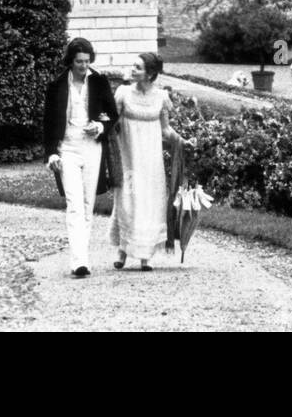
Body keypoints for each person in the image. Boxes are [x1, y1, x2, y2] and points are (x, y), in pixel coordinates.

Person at [42, 38, 120, 279]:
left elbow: (113, 116)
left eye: (87, 61)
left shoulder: (99, 81)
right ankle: (79, 261)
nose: (83, 66)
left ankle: (82, 256)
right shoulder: (56, 86)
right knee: (74, 203)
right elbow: (47, 125)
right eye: (79, 62)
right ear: (70, 61)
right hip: (68, 147)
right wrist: (51, 153)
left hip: (92, 147)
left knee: (87, 204)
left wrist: (99, 126)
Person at [109, 53, 191, 272]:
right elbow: (112, 123)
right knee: (129, 201)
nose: (133, 70)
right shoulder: (123, 93)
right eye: (134, 66)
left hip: (151, 160)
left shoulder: (161, 97)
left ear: (150, 74)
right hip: (129, 157)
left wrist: (182, 141)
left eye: (138, 67)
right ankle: (123, 251)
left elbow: (165, 129)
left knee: (149, 204)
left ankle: (146, 256)